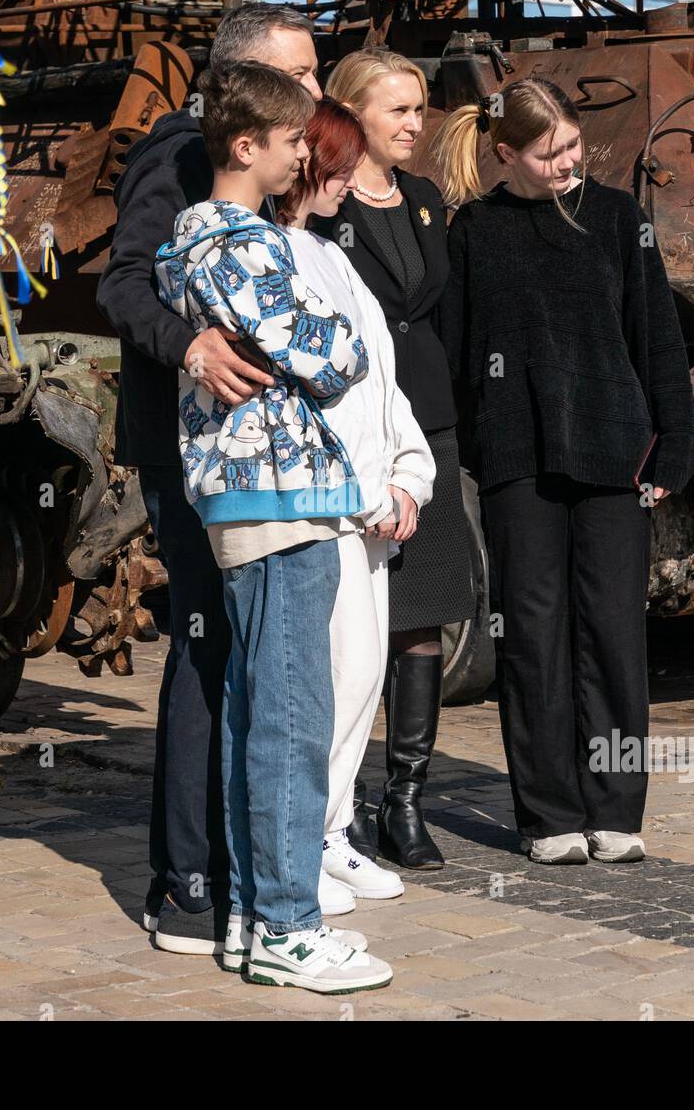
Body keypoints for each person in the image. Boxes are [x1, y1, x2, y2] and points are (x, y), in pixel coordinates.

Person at [154, 62, 394, 993]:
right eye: (294, 139)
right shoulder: (236, 244)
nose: (305, 154)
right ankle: (291, 926)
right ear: (246, 146)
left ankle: (258, 915)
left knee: (262, 713)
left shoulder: (205, 245)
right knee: (292, 720)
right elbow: (334, 353)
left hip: (261, 494)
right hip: (281, 496)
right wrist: (328, 337)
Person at [95, 4, 322, 956]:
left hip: (238, 452)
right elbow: (122, 281)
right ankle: (185, 880)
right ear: (247, 85)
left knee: (242, 654)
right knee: (205, 648)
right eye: (302, 73)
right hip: (192, 452)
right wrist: (189, 346)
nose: (318, 87)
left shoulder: (259, 170)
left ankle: (240, 870)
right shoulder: (180, 155)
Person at [434, 76, 694, 865]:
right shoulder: (473, 233)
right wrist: (480, 453)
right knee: (532, 639)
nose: (568, 164)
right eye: (550, 154)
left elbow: (657, 339)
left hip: (617, 461)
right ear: (505, 154)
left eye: (575, 148)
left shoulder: (620, 218)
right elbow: (455, 359)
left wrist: (673, 448)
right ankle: (549, 815)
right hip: (520, 468)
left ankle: (617, 809)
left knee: (615, 636)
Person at [315, 48, 476, 871]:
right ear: (352, 115)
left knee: (425, 619)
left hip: (429, 430)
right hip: (357, 429)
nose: (417, 124)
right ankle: (331, 810)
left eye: (420, 108)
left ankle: (404, 803)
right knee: (355, 630)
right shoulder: (320, 210)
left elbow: (439, 314)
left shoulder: (424, 200)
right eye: (399, 110)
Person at [274, 98, 436, 906]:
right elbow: (310, 398)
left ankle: (333, 829)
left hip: (369, 509)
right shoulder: (279, 256)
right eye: (335, 167)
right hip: (325, 510)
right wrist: (368, 487)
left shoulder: (334, 258)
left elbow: (381, 383)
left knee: (364, 673)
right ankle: (307, 841)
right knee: (325, 681)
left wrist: (410, 472)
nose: (347, 181)